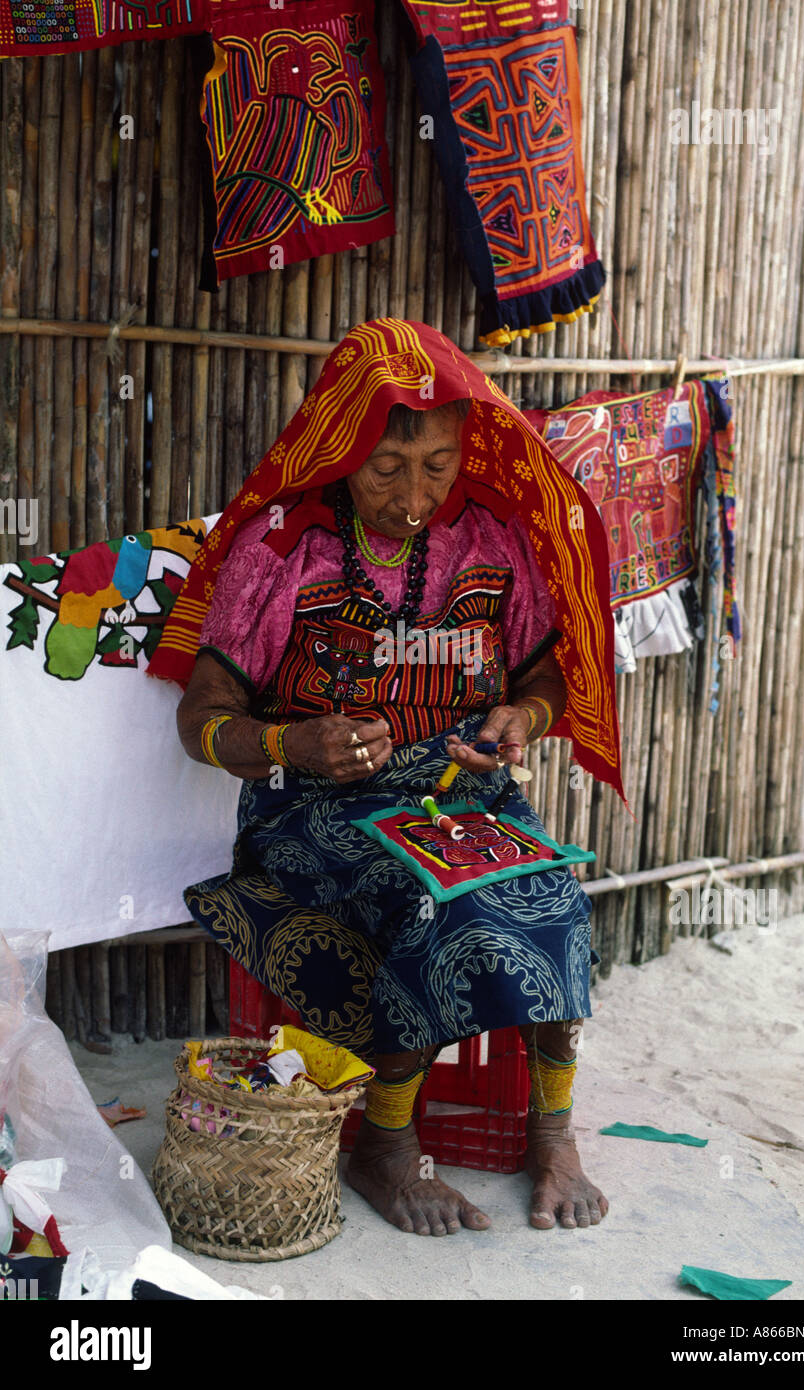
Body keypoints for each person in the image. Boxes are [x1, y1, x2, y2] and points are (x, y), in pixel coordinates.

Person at [149, 318, 625, 1237]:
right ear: (342, 448)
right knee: (421, 900)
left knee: (550, 889)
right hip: (316, 808)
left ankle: (555, 1139)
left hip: (462, 794)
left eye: (439, 466)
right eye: (389, 468)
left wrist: (518, 719)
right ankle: (387, 1148)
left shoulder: (493, 540)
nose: (415, 496)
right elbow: (198, 719)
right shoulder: (286, 550)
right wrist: (292, 746)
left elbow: (541, 677)